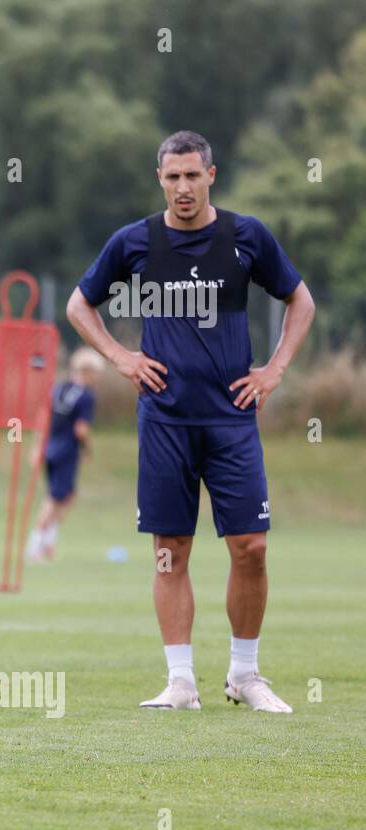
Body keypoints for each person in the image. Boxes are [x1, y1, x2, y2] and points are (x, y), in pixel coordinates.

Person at [66, 130, 314, 713]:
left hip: (231, 421)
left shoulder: (245, 236)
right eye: (172, 177)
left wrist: (275, 369)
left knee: (250, 546)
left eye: (192, 176)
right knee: (169, 550)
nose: (183, 187)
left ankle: (245, 675)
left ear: (211, 176)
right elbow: (80, 305)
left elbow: (299, 300)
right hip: (164, 423)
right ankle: (181, 683)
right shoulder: (136, 242)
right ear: (160, 179)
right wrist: (122, 358)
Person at [26, 348, 103, 561]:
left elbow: (43, 418)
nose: (98, 378)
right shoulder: (86, 396)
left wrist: (36, 447)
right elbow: (81, 429)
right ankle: (36, 545)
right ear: (88, 372)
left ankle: (48, 541)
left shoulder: (57, 389)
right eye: (97, 373)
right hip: (67, 451)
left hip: (50, 449)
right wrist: (88, 449)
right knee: (55, 499)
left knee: (66, 496)